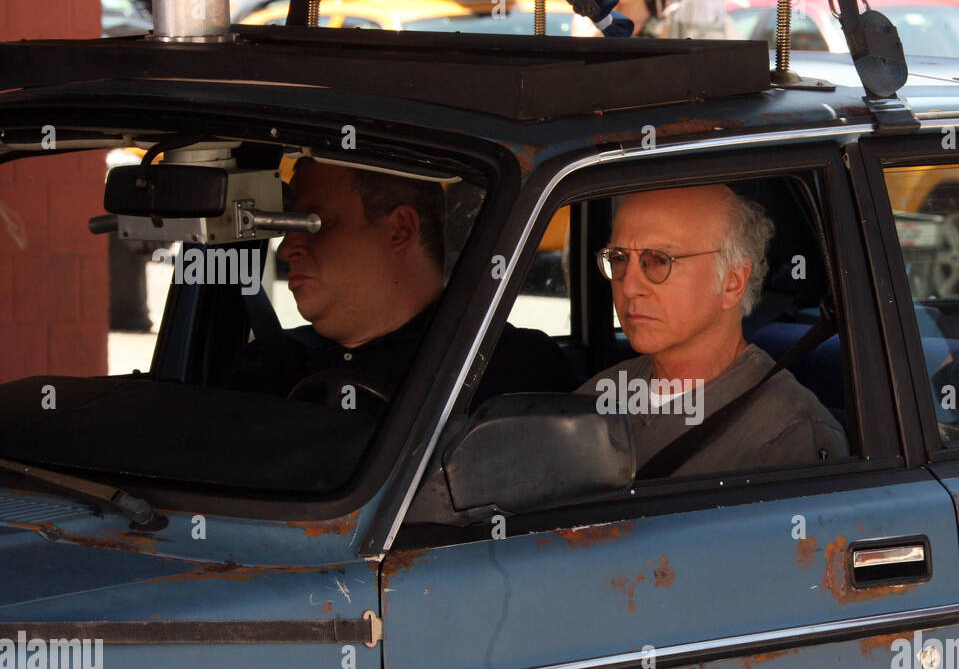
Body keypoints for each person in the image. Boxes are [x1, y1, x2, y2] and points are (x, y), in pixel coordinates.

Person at [218, 158, 575, 407]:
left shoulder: (506, 370)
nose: (286, 250)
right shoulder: (260, 368)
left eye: (312, 223)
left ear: (399, 229)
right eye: (289, 227)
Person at [577, 184, 848, 477]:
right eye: (618, 258)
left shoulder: (788, 435)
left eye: (657, 260)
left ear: (732, 281)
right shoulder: (597, 395)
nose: (628, 287)